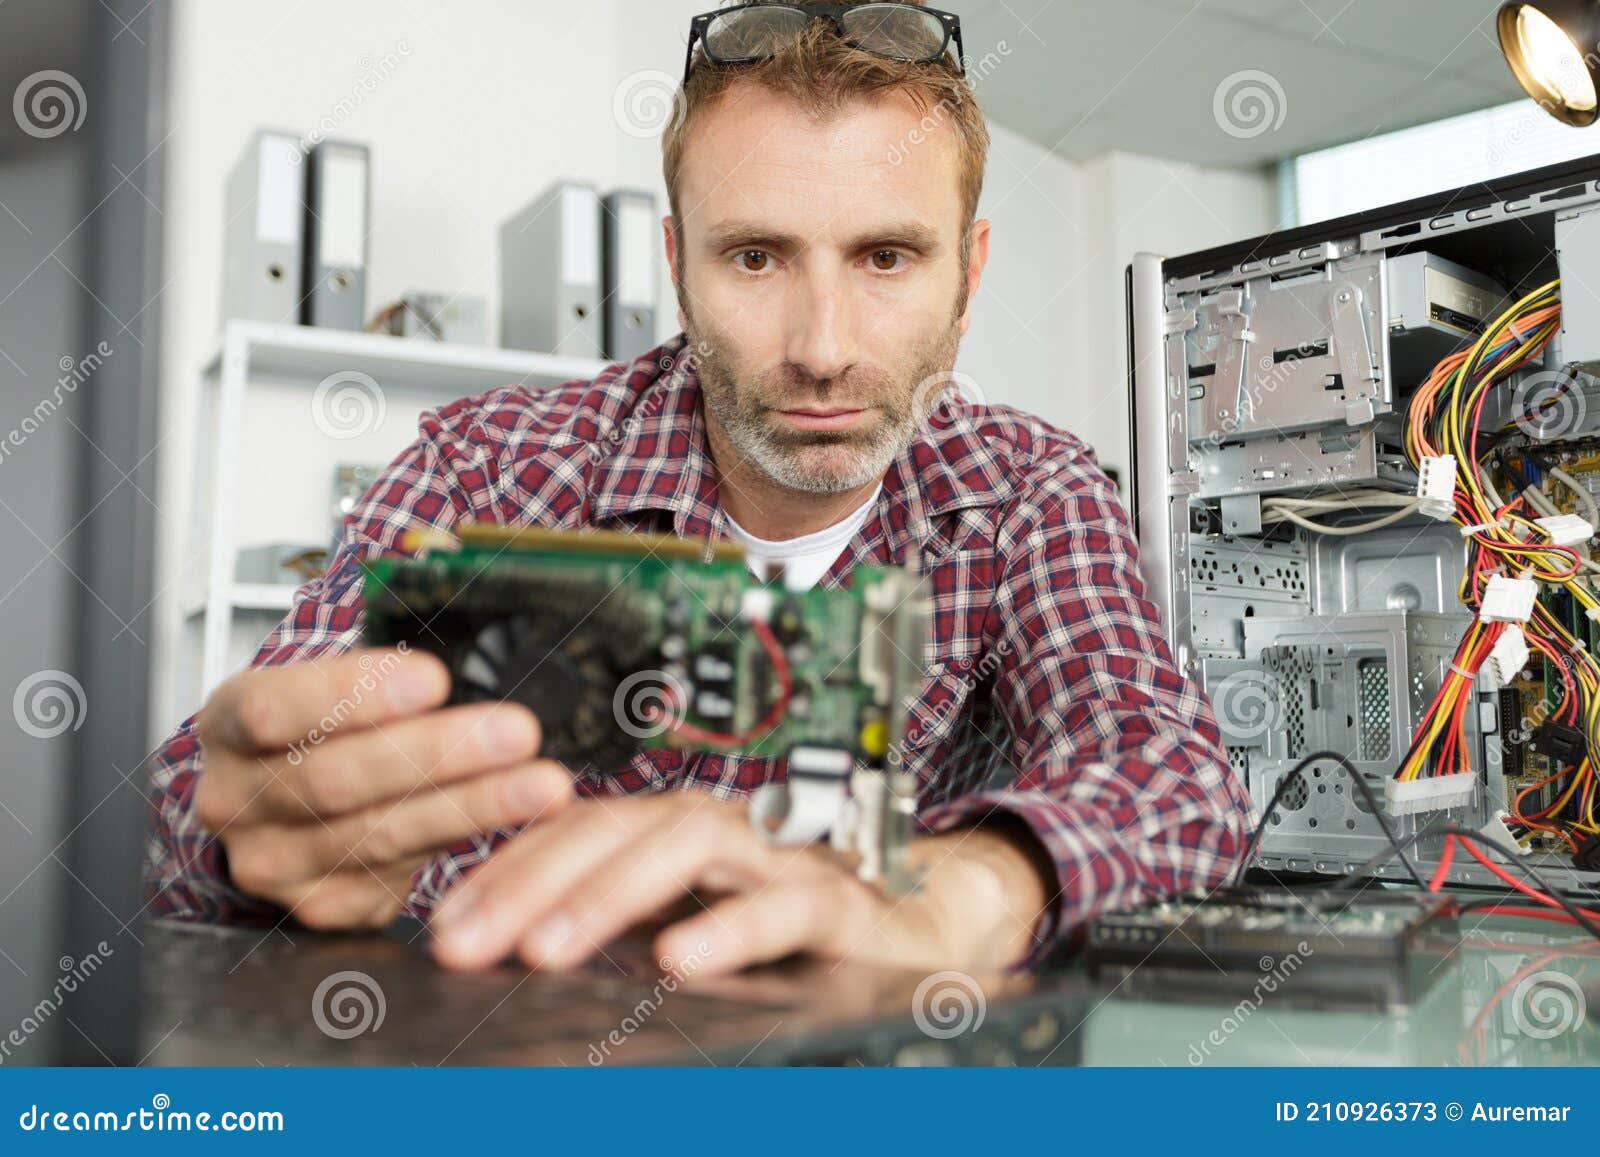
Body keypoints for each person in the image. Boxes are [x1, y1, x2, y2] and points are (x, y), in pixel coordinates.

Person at [146, 0, 1251, 978]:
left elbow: (1172, 779)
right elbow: (168, 821)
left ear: (969, 272)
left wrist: (963, 887)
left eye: (885, 259)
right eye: (757, 257)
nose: (823, 349)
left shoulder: (1025, 491)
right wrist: (254, 841)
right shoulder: (485, 468)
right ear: (676, 266)